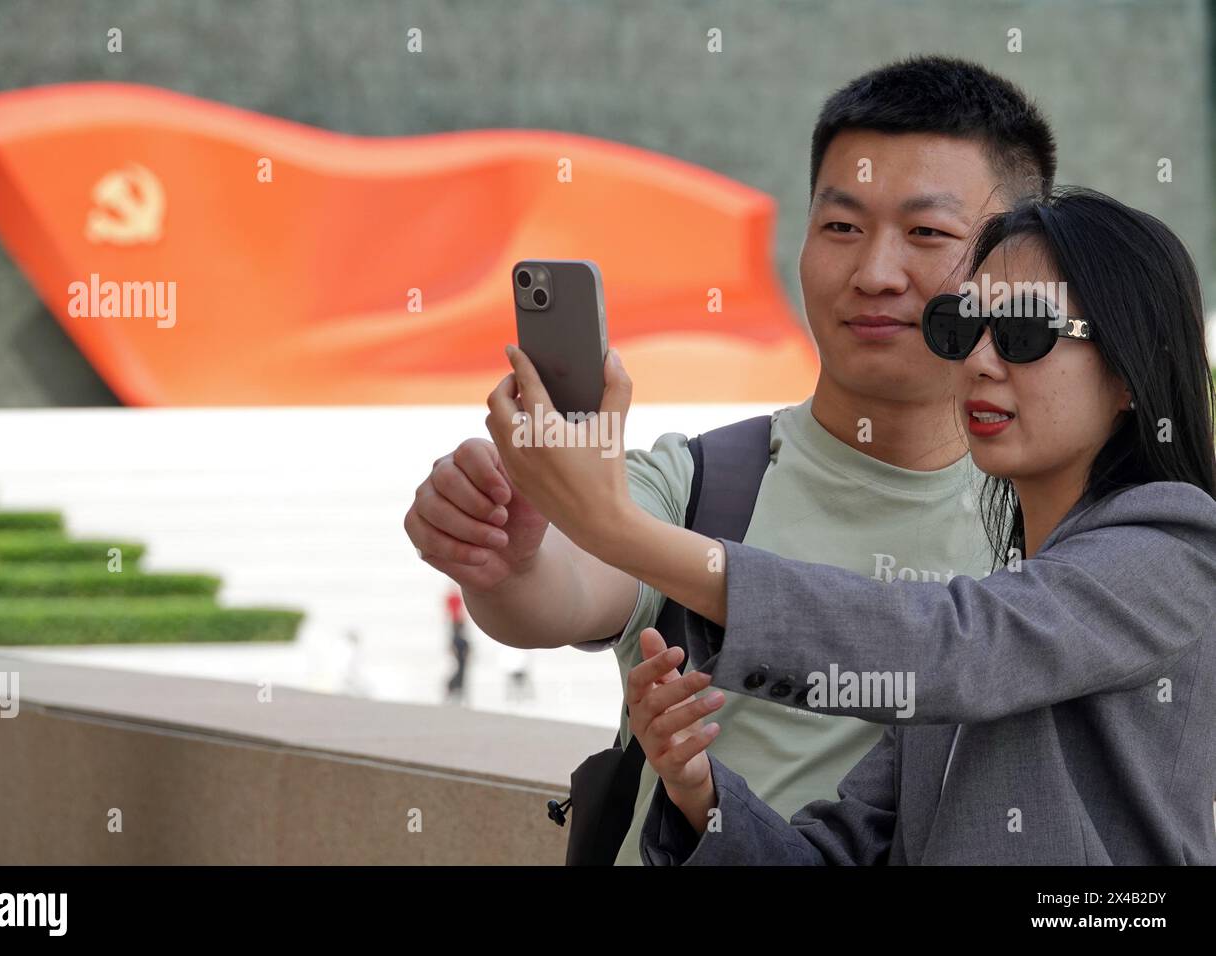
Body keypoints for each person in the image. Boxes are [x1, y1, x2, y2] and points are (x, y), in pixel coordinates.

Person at [406, 55, 1058, 864]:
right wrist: (508, 551)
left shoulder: (1059, 519)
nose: (874, 273)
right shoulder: (706, 482)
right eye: (841, 227)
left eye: (927, 233)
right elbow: (562, 591)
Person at [487, 187, 1216, 864]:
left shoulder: (1173, 548)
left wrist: (619, 530)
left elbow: (949, 646)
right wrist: (698, 793)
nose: (981, 362)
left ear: (1127, 372)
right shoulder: (989, 617)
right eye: (962, 326)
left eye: (1025, 331)